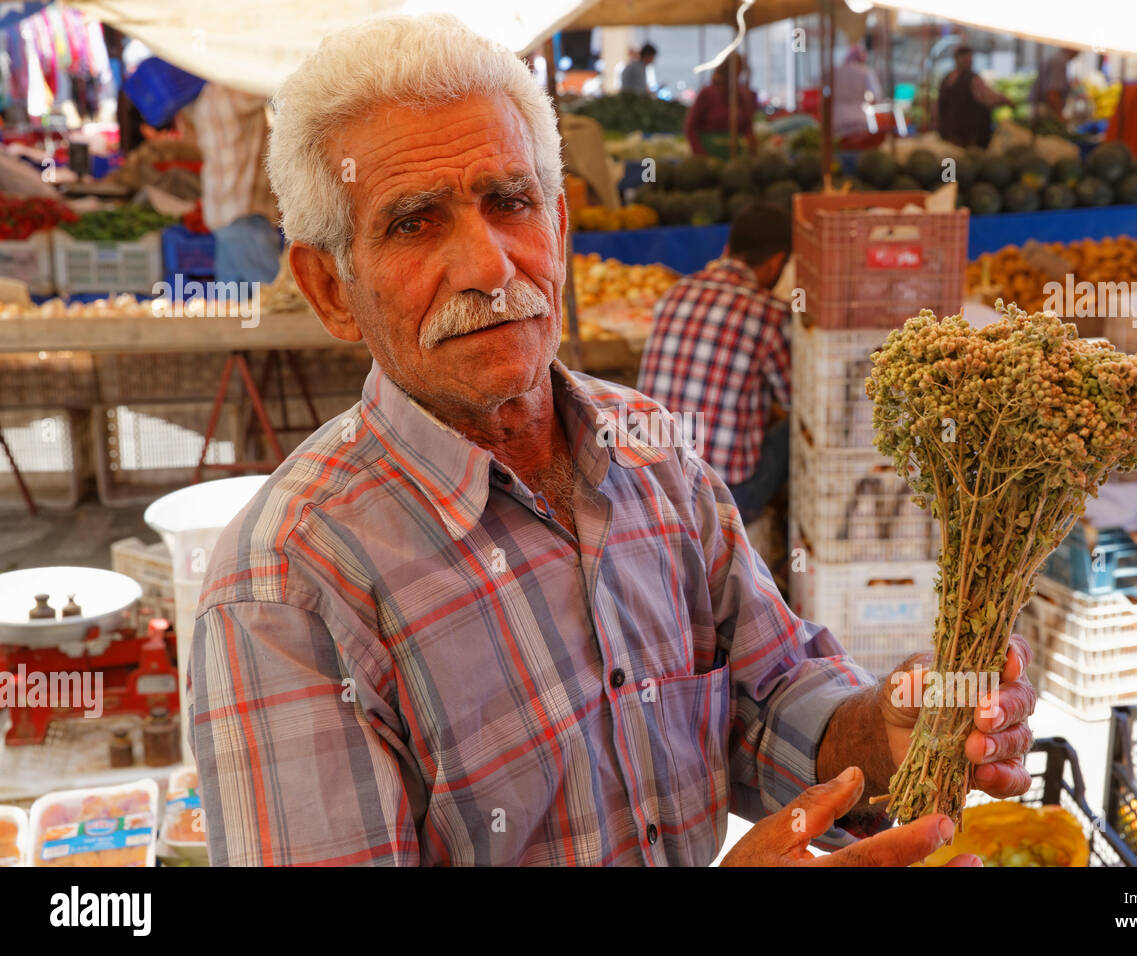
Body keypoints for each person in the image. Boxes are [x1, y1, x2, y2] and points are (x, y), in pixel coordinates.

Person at [188, 13, 1036, 867]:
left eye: (510, 203)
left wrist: (885, 732)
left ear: (557, 229)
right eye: (414, 223)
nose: (489, 266)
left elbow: (773, 698)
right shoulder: (283, 593)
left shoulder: (652, 452)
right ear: (329, 288)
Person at [637, 202, 793, 524]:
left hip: (653, 481)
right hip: (726, 496)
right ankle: (772, 524)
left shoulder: (675, 292)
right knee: (798, 428)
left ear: (726, 248)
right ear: (777, 262)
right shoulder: (770, 313)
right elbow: (796, 401)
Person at [188, 81, 281, 286]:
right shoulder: (239, 90)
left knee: (234, 307)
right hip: (244, 215)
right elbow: (279, 81)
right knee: (280, 299)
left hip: (223, 213)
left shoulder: (208, 95)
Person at [936, 45, 1013, 148]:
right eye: (967, 59)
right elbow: (989, 98)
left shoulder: (947, 78)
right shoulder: (972, 79)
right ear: (958, 59)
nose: (969, 61)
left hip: (951, 134)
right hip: (970, 137)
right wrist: (1006, 100)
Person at [685, 53, 758, 158]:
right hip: (709, 152)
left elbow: (748, 125)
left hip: (736, 152)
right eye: (735, 70)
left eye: (740, 70)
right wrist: (700, 154)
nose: (738, 74)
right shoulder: (708, 93)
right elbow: (690, 127)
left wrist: (753, 147)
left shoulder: (741, 94)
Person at [832, 40, 885, 140]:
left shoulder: (835, 72)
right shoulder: (866, 72)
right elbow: (877, 95)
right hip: (859, 119)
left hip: (837, 119)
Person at [1030, 46, 1079, 123]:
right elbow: (1052, 93)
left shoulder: (1057, 57)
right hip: (1047, 109)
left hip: (1044, 107)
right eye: (1078, 50)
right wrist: (1060, 116)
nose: (1078, 54)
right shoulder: (1059, 61)